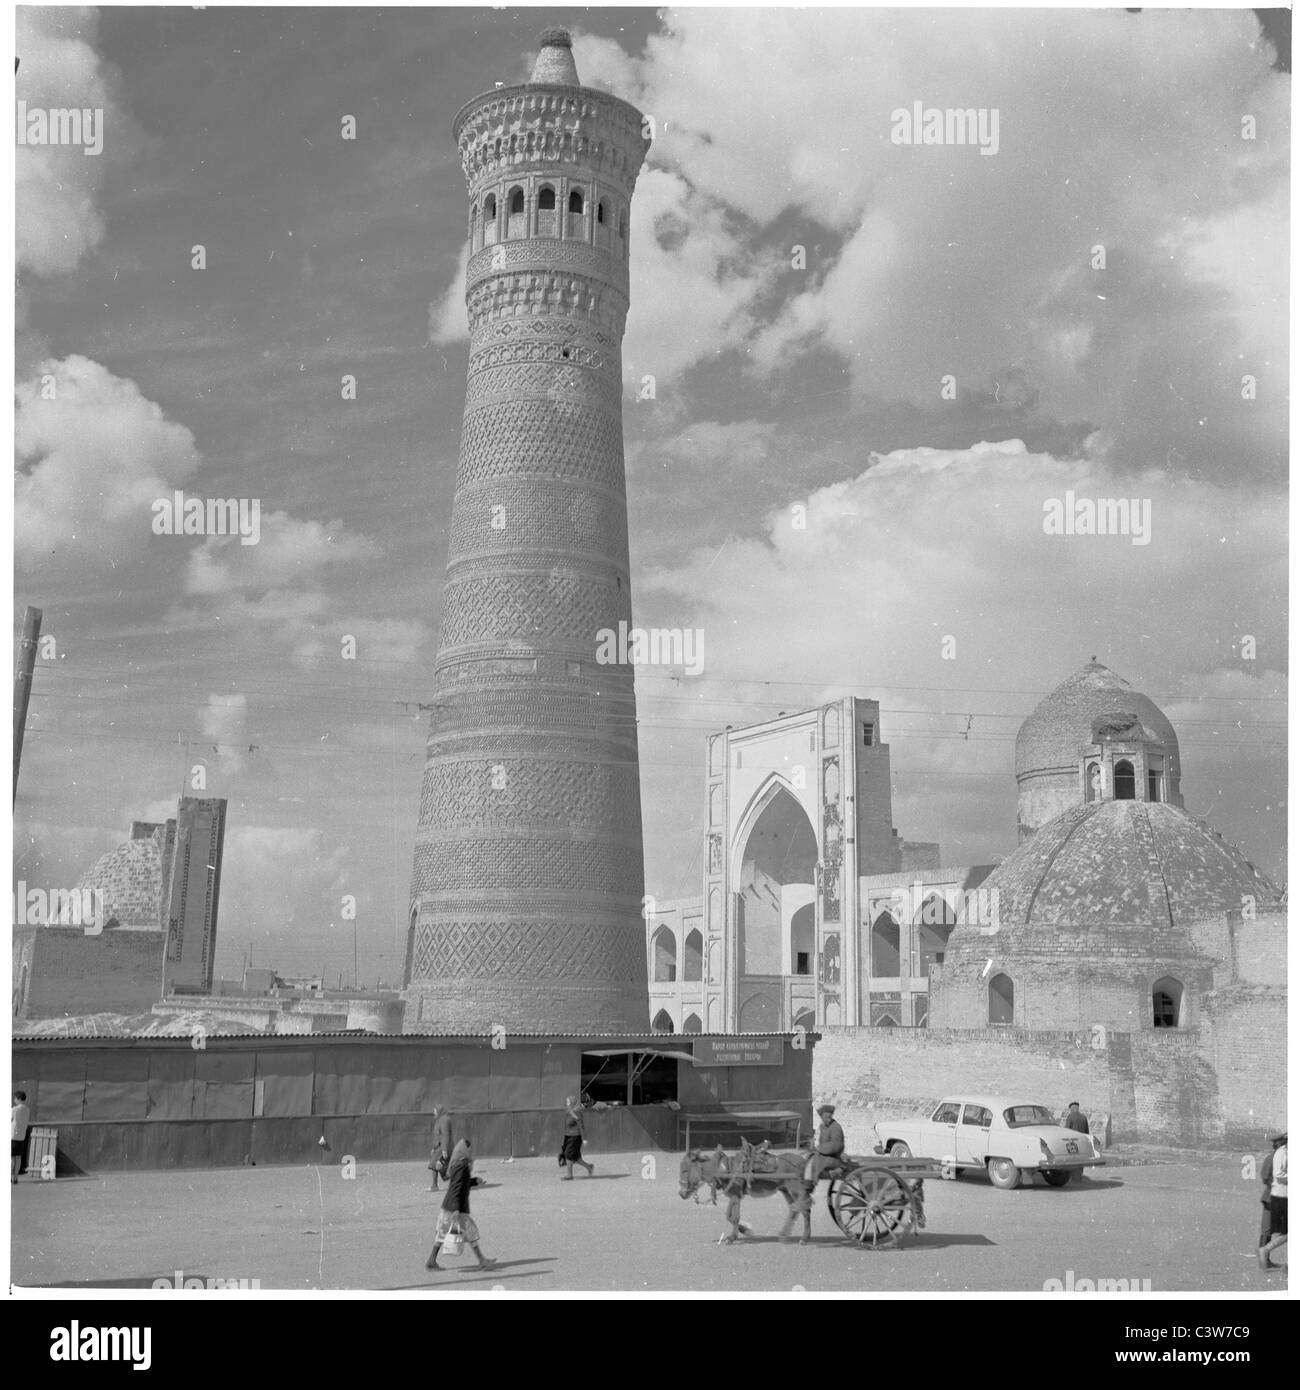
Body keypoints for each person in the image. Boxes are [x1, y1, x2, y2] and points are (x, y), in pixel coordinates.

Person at [426, 1140, 495, 1272]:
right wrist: (456, 1209)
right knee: (469, 1231)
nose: (471, 1151)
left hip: (451, 1206)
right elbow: (456, 1187)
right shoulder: (462, 1165)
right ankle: (482, 1260)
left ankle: (432, 1261)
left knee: (446, 1233)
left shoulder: (459, 1163)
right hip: (454, 1208)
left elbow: (460, 1183)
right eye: (469, 1149)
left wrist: (474, 1181)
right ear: (464, 1149)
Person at [1258, 1133, 1287, 1270]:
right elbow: (1265, 1177)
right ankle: (1264, 1258)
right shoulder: (1272, 1157)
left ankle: (1265, 1258)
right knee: (1268, 1230)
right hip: (1272, 1197)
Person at [809, 1104, 848, 1182]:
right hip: (824, 1155)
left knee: (813, 1164)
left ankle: (810, 1183)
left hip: (834, 1157)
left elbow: (836, 1146)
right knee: (807, 1158)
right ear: (821, 1117)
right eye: (826, 1117)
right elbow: (819, 1140)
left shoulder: (836, 1127)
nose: (829, 1120)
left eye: (830, 1117)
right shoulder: (822, 1127)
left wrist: (819, 1148)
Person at [561, 1096, 594, 1180]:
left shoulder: (577, 1112)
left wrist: (584, 1139)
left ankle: (569, 1175)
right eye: (566, 1102)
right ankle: (589, 1167)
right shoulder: (569, 1111)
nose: (567, 1103)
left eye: (568, 1102)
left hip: (575, 1137)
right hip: (568, 1136)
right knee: (576, 1158)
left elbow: (581, 1125)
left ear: (572, 1102)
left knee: (568, 1155)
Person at [428, 1106, 454, 1192]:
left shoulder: (444, 1120)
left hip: (442, 1147)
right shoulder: (439, 1120)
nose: (434, 1113)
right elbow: (437, 1136)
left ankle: (434, 1186)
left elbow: (445, 1135)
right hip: (439, 1147)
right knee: (442, 1169)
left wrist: (444, 1149)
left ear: (439, 1111)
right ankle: (462, 1181)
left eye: (435, 1111)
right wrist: (433, 1148)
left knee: (434, 1165)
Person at [11, 1091, 30, 1184]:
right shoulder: (27, 1110)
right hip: (22, 1136)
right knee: (18, 1157)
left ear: (18, 1099)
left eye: (15, 1098)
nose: (14, 1100)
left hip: (13, 1135)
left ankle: (10, 1176)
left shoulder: (15, 1109)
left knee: (11, 1157)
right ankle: (15, 1177)